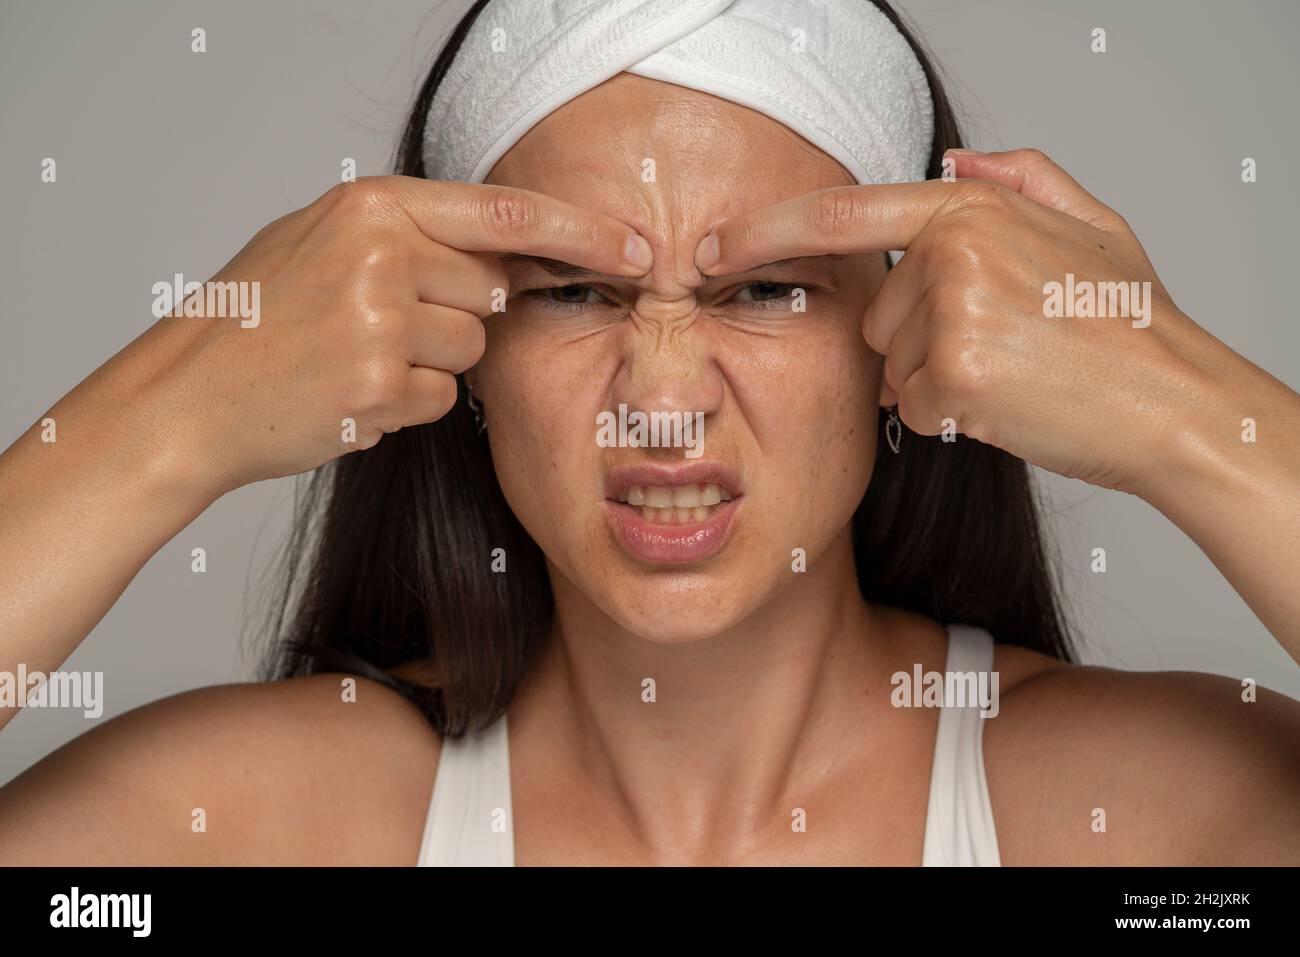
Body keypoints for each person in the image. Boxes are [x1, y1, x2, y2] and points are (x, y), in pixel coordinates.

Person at [1, 0, 1297, 866]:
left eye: (766, 287)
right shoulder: (278, 823)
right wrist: (173, 413)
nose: (664, 396)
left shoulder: (1142, 821)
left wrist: (1180, 403)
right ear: (457, 351)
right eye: (576, 290)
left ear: (908, 337)